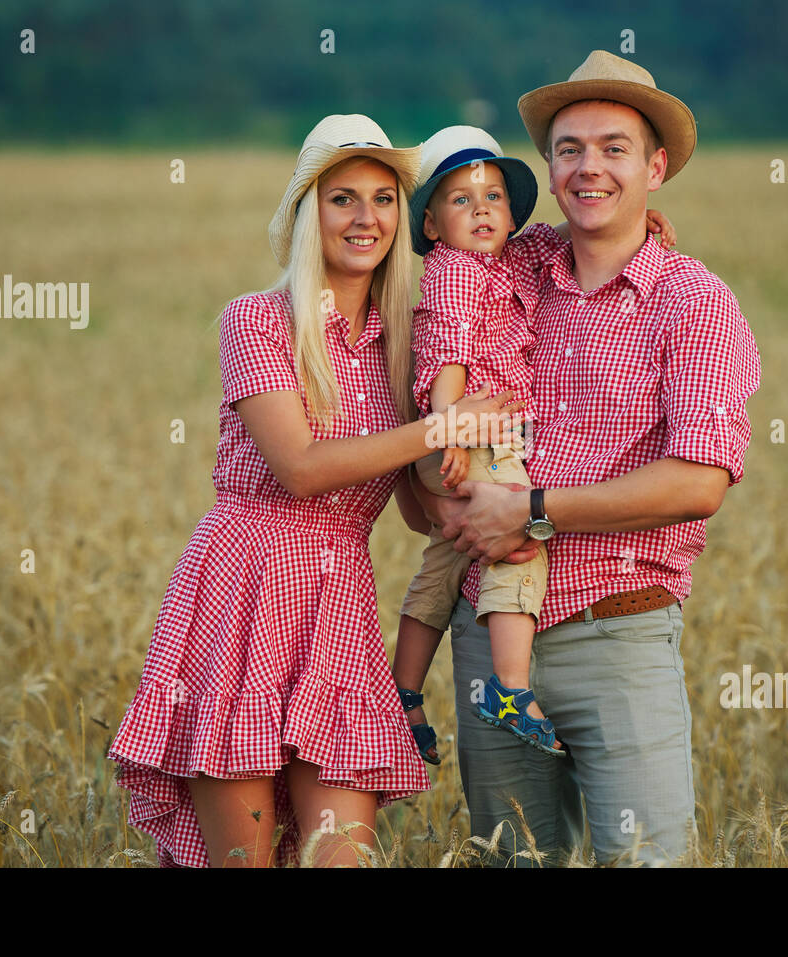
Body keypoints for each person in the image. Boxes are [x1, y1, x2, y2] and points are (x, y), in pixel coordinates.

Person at [106, 114, 522, 868]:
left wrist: (475, 458)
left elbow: (414, 508)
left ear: (407, 215)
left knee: (341, 858)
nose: (366, 218)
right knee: (245, 860)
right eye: (342, 198)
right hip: (244, 591)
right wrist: (439, 428)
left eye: (384, 198)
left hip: (340, 604)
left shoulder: (405, 344)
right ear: (307, 215)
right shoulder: (259, 321)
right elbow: (299, 467)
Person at [412, 51, 762, 866]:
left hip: (620, 631)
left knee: (647, 860)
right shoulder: (515, 262)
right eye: (569, 148)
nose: (588, 167)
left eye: (613, 148)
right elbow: (417, 263)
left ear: (656, 166)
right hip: (488, 633)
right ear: (548, 165)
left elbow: (701, 479)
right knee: (513, 861)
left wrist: (532, 508)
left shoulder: (693, 301)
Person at [391, 125, 677, 767]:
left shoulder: (505, 255)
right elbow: (448, 354)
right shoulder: (455, 274)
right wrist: (450, 429)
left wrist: (635, 219)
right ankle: (512, 688)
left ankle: (404, 690)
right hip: (474, 431)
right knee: (517, 547)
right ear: (432, 227)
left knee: (445, 562)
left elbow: (572, 231)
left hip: (469, 432)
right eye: (461, 200)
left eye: (494, 197)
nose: (483, 210)